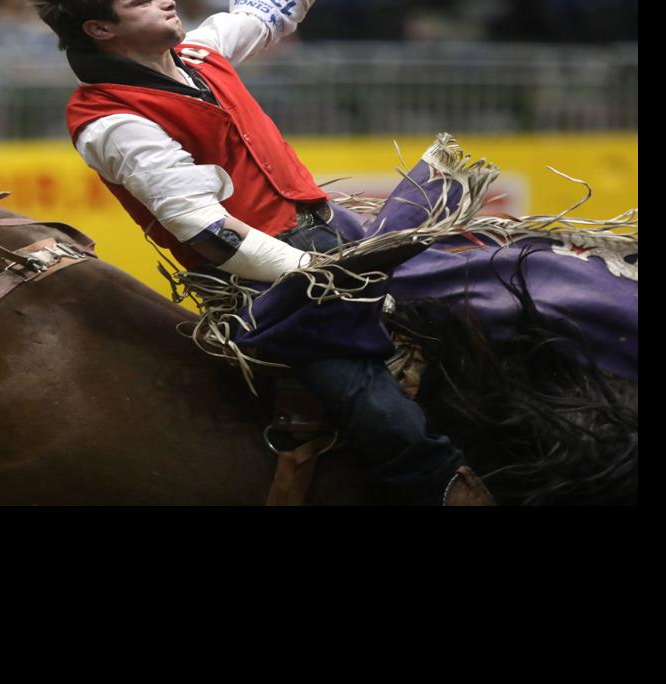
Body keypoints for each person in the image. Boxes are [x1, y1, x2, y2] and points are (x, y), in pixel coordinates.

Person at [33, 0, 493, 505]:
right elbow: (206, 232)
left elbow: (269, 9)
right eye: (137, 1)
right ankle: (442, 485)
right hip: (260, 283)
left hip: (329, 239)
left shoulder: (199, 52)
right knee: (368, 396)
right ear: (99, 28)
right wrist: (321, 277)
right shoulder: (111, 122)